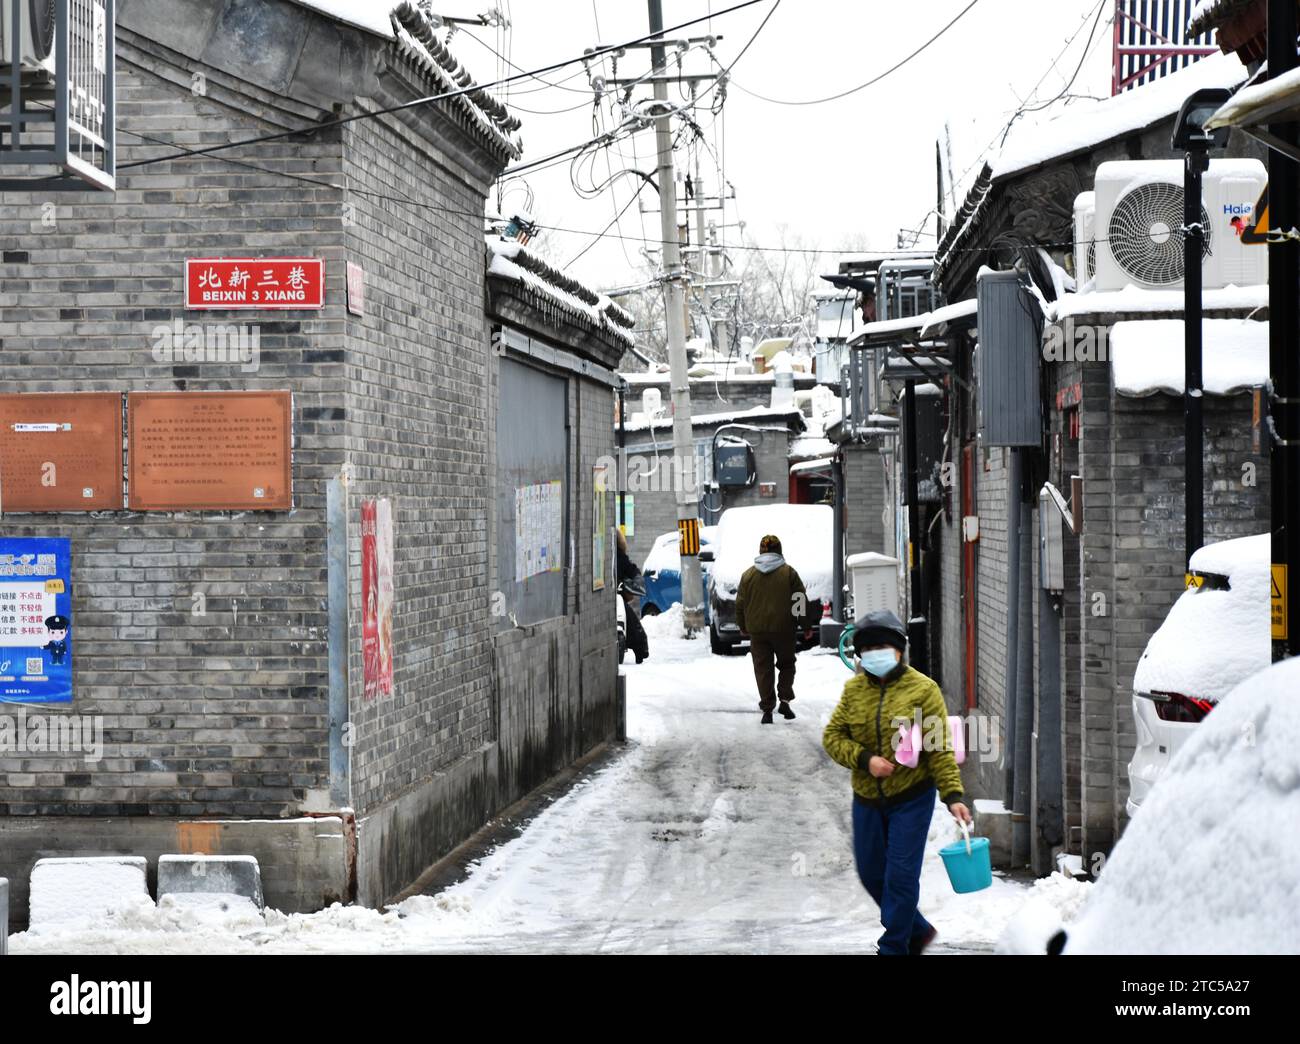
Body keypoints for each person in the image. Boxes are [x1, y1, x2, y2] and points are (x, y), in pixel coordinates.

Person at [822, 608, 973, 955]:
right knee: (872, 874)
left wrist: (952, 795)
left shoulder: (923, 690)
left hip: (911, 797)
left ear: (900, 650)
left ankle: (894, 947)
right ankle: (917, 930)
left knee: (901, 877)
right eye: (868, 649)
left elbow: (939, 748)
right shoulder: (854, 691)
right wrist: (865, 760)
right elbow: (833, 737)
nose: (875, 654)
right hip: (866, 798)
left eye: (883, 647)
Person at [735, 534, 807, 724]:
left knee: (763, 669)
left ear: (760, 551)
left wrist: (743, 626)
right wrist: (804, 624)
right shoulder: (789, 573)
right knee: (786, 664)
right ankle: (784, 700)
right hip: (784, 629)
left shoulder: (748, 575)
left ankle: (767, 709)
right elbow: (799, 600)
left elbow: (740, 604)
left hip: (757, 632)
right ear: (779, 550)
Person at [615, 529, 649, 664]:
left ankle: (641, 649)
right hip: (609, 595)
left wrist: (637, 578)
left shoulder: (619, 556)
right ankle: (640, 648)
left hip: (617, 595)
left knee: (632, 621)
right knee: (632, 621)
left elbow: (631, 568)